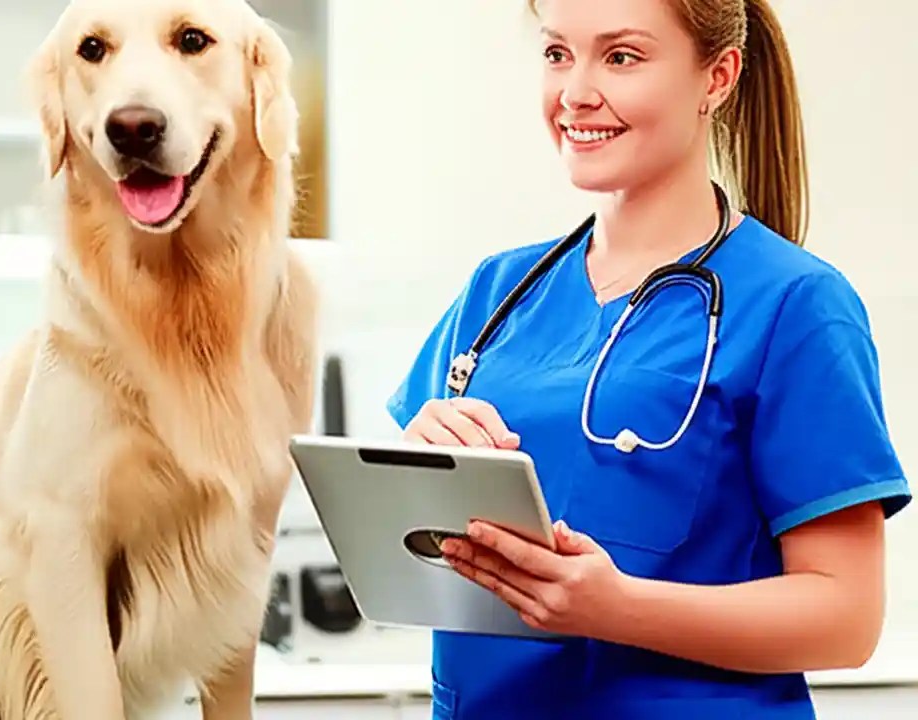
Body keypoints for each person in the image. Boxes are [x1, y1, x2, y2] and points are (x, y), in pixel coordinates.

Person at [385, 0, 912, 718]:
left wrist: (617, 608)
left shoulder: (796, 305)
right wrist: (417, 465)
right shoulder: (498, 292)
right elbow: (411, 549)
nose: (575, 92)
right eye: (556, 54)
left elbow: (845, 618)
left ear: (718, 77)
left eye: (621, 56)